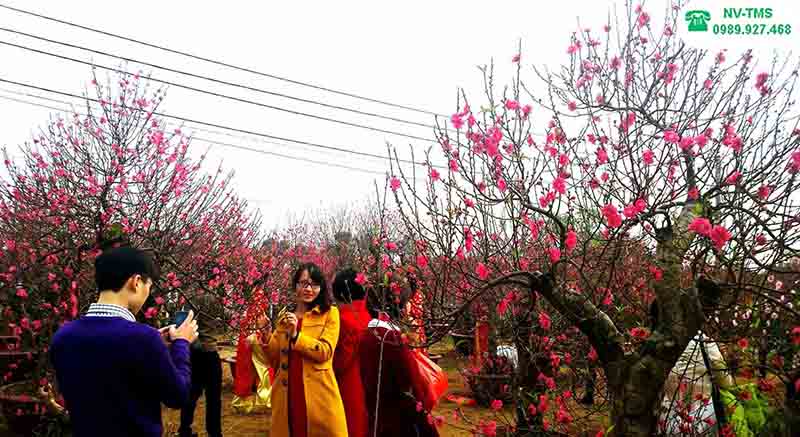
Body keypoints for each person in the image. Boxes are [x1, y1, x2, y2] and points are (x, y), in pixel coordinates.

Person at [50, 247, 198, 437]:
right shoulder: (143, 339)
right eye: (148, 287)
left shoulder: (63, 336)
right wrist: (182, 344)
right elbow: (178, 395)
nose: (147, 295)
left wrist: (155, 345)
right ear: (136, 282)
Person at [265, 262, 348, 437]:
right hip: (288, 393)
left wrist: (296, 336)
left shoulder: (330, 313)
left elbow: (325, 352)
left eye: (314, 284)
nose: (309, 289)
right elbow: (273, 358)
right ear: (295, 286)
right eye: (303, 283)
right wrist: (267, 333)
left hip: (317, 395)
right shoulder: (285, 315)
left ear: (321, 288)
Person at [360, 284, 439, 437]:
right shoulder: (391, 338)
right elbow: (412, 381)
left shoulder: (364, 334)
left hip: (371, 415)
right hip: (398, 419)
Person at [650, 300, 733, 435]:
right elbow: (727, 382)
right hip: (704, 419)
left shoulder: (653, 348)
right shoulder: (705, 343)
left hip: (669, 421)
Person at [179, 293, 227, 437]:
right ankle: (215, 433)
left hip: (196, 351)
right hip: (210, 352)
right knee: (214, 399)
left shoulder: (191, 296)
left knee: (191, 395)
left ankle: (184, 429)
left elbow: (184, 322)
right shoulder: (218, 298)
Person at [332, 268, 370, 437]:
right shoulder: (368, 315)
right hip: (368, 381)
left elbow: (340, 363)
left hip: (349, 385)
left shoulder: (343, 320)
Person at [232, 309, 274, 414]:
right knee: (260, 367)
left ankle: (262, 399)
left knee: (263, 367)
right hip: (252, 333)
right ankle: (263, 399)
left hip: (255, 333)